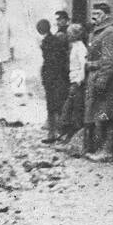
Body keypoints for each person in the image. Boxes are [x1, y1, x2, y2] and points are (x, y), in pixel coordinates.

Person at [84, 1, 113, 162]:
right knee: (101, 114)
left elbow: (109, 60)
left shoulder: (109, 32)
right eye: (93, 14)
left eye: (98, 14)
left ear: (106, 15)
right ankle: (101, 148)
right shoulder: (97, 32)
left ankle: (107, 151)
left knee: (109, 115)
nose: (94, 17)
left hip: (105, 79)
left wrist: (102, 80)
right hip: (96, 77)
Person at [39, 15, 70, 143]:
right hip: (58, 77)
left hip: (52, 78)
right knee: (57, 105)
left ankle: (53, 133)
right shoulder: (55, 39)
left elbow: (50, 61)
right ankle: (56, 133)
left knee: (52, 105)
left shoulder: (47, 41)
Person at [59, 22, 88, 147]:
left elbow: (83, 65)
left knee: (74, 110)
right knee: (69, 109)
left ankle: (74, 138)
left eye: (70, 34)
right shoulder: (75, 46)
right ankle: (68, 135)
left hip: (77, 82)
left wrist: (79, 81)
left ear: (75, 35)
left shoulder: (80, 47)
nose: (68, 35)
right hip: (73, 80)